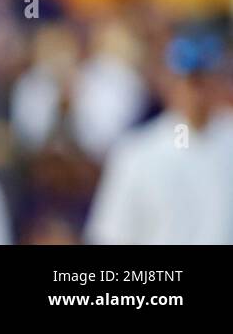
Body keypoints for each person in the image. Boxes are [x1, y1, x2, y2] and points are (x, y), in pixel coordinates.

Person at [84, 30, 233, 244]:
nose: (197, 92)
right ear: (170, 82)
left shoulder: (228, 139)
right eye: (190, 81)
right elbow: (112, 235)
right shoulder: (138, 153)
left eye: (205, 80)